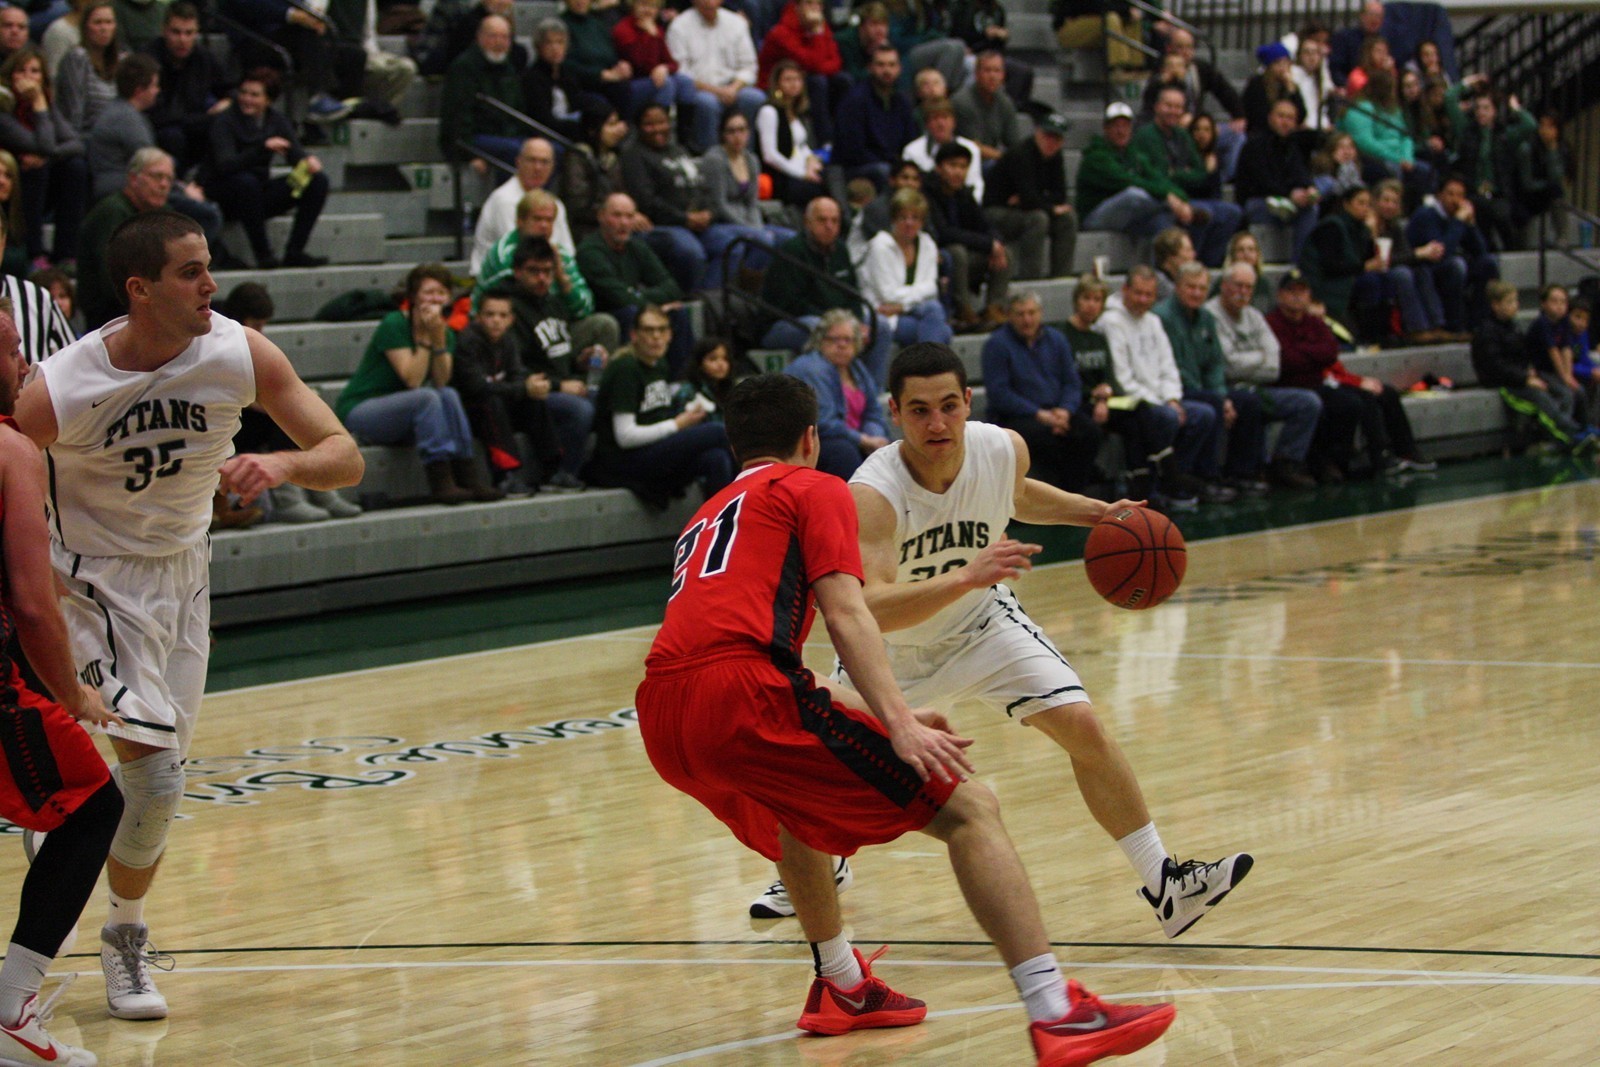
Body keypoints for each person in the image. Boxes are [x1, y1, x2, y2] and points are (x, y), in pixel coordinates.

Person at [643, 368, 1180, 1064]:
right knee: (971, 809)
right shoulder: (817, 488)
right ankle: (1057, 1009)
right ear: (811, 437)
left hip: (664, 708)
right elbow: (846, 612)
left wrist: (874, 706)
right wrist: (897, 719)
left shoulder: (707, 514)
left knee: (793, 811)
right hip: (742, 694)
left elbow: (754, 659)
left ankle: (840, 984)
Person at [745, 342, 1252, 939]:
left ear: (968, 401)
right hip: (896, 653)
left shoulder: (1001, 447)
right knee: (834, 771)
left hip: (984, 625)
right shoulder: (872, 494)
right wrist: (964, 576)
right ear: (893, 412)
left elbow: (1017, 494)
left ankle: (1165, 884)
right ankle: (822, 866)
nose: (937, 424)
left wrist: (1098, 514)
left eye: (948, 406)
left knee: (1083, 726)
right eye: (919, 411)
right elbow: (871, 610)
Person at [14, 210, 362, 1022]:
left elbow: (344, 455)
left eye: (209, 267)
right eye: (190, 272)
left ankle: (81, 848)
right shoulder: (63, 384)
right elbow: (8, 473)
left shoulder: (238, 351)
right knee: (158, 776)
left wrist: (279, 461)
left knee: (156, 787)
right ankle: (124, 937)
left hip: (185, 578)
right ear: (139, 289)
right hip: (89, 584)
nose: (211, 285)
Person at [0, 297, 125, 1067]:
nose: (25, 363)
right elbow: (30, 602)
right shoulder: (11, 451)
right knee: (94, 806)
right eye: (13, 348)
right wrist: (72, 691)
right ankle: (12, 1008)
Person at [335, 262, 505, 505]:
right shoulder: (394, 323)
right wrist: (425, 337)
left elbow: (442, 379)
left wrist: (437, 339)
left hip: (405, 411)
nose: (435, 299)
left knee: (448, 394)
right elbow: (413, 380)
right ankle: (440, 481)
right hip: (361, 410)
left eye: (441, 292)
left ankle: (468, 475)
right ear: (414, 297)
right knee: (427, 397)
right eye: (428, 292)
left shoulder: (443, 331)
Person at [1267, 266, 1433, 479]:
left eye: (1302, 291)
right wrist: (1313, 356)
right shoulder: (1272, 323)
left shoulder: (1316, 322)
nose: (1297, 296)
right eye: (1291, 291)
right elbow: (1287, 360)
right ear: (1280, 295)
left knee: (1385, 392)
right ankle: (1364, 457)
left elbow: (1329, 353)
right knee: (1353, 401)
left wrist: (1305, 355)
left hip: (1324, 379)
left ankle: (1407, 451)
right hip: (1297, 384)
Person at [487, 234, 615, 488]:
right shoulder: (509, 310)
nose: (542, 278)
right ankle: (559, 473)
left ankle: (602, 469)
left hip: (561, 383)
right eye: (534, 271)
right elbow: (517, 369)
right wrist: (560, 386)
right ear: (517, 271)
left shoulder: (554, 303)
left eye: (547, 271)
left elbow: (556, 354)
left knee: (613, 396)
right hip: (529, 394)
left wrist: (583, 360)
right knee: (580, 409)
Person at [584, 302, 734, 507]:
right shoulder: (626, 368)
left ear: (670, 335)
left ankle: (722, 532)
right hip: (623, 460)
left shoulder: (659, 364)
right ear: (634, 335)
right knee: (718, 432)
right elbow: (625, 437)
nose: (656, 337)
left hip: (654, 451)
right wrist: (677, 425)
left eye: (662, 330)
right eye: (649, 330)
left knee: (716, 459)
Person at [1095, 266, 1213, 507]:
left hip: (1160, 400)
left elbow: (1168, 366)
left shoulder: (1153, 321)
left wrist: (1172, 399)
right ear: (1125, 290)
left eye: (1149, 295)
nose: (1143, 300)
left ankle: (1180, 476)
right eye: (1138, 293)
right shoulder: (1111, 322)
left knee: (1204, 415)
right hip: (1126, 401)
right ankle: (1161, 483)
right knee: (1165, 418)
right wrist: (1163, 405)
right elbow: (1122, 379)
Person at [1062, 274, 1181, 502]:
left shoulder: (1098, 336)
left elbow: (1109, 377)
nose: (1092, 305)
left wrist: (1104, 397)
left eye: (1097, 300)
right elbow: (1067, 379)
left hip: (1103, 402)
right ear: (1077, 300)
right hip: (1079, 403)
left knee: (1138, 411)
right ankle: (1166, 468)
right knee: (1137, 417)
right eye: (1087, 298)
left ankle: (1140, 485)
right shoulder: (1063, 334)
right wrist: (1094, 397)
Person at [1205, 262, 1322, 489]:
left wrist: (1249, 360)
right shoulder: (1211, 314)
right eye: (1239, 285)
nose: (1244, 292)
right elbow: (1227, 365)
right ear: (1224, 286)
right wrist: (1260, 356)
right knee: (1250, 402)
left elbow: (1275, 364)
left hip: (1259, 387)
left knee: (1308, 402)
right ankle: (1243, 471)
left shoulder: (1254, 316)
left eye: (1249, 287)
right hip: (1227, 388)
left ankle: (1284, 464)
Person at [201, 68, 330, 270]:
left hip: (257, 193)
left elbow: (294, 153)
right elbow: (225, 166)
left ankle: (294, 252)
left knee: (317, 181)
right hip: (225, 192)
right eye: (244, 93)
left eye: (255, 95)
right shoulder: (225, 121)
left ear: (268, 100)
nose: (247, 99)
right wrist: (261, 148)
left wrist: (308, 161)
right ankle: (263, 255)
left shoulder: (276, 120)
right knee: (246, 183)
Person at [980, 291, 1102, 493]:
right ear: (1010, 316)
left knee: (1090, 432)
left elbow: (1072, 382)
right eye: (1020, 314)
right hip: (1018, 415)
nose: (1027, 319)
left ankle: (1075, 494)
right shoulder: (996, 345)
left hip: (1057, 412)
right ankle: (1058, 495)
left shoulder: (1057, 339)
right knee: (1045, 438)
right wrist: (1039, 414)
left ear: (1041, 313)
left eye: (1031, 313)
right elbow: (999, 393)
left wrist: (1065, 411)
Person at [451, 289, 570, 494]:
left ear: (511, 320)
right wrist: (523, 388)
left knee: (534, 400)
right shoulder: (467, 343)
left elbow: (516, 376)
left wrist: (529, 387)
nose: (496, 320)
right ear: (478, 317)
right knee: (492, 401)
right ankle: (504, 475)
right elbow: (477, 388)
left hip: (500, 404)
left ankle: (552, 470)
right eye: (490, 315)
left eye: (503, 315)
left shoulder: (508, 341)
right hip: (470, 411)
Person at [759, 196, 891, 381]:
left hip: (835, 319)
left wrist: (856, 321)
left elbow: (852, 294)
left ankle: (871, 394)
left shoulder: (841, 250)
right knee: (819, 328)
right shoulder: (792, 251)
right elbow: (790, 304)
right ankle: (834, 391)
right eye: (822, 220)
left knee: (880, 325)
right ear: (807, 222)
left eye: (834, 221)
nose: (829, 226)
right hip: (784, 324)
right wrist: (836, 324)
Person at [1153, 262, 1252, 499]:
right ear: (1177, 287)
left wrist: (1221, 394)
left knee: (1247, 402)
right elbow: (1174, 366)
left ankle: (1242, 472)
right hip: (1171, 388)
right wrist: (1216, 398)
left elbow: (1215, 364)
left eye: (1201, 288)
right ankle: (1206, 476)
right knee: (1211, 406)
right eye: (1191, 287)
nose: (1196, 293)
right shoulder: (1163, 317)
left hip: (1200, 389)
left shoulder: (1206, 318)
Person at [1471, 280, 1596, 452]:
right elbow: (1496, 367)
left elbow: (1524, 354)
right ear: (1495, 305)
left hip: (1522, 375)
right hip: (1504, 383)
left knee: (1564, 392)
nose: (1515, 306)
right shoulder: (1487, 332)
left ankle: (1579, 430)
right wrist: (1525, 378)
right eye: (1510, 302)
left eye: (1515, 301)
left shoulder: (1513, 327)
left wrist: (1529, 371)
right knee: (1541, 398)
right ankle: (1569, 437)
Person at [576, 191, 692, 372]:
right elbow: (618, 297)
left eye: (629, 217)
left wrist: (643, 299)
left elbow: (671, 287)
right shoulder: (590, 251)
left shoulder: (636, 247)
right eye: (617, 216)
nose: (624, 223)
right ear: (601, 217)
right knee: (632, 314)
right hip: (608, 315)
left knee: (678, 312)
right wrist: (654, 307)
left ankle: (678, 381)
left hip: (636, 306)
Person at [1129, 86, 1243, 268]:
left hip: (1186, 197)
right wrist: (1181, 175)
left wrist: (1176, 173)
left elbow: (1200, 174)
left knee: (1231, 213)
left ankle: (1209, 265)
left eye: (1178, 107)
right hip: (1159, 200)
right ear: (1157, 107)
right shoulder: (1145, 136)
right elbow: (1156, 176)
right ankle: (1185, 267)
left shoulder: (1182, 135)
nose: (1173, 111)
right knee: (1200, 213)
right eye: (1169, 106)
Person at [0, 47, 89, 269]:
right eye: (22, 70)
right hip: (16, 180)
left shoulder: (46, 103)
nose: (29, 77)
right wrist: (39, 102)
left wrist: (48, 156)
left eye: (35, 71)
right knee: (35, 168)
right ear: (11, 76)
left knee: (75, 167)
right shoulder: (3, 110)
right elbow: (44, 144)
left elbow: (77, 144)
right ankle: (35, 251)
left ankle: (66, 254)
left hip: (43, 180)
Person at [783, 309, 888, 479]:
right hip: (809, 441)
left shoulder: (856, 368)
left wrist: (875, 437)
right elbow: (823, 423)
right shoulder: (812, 369)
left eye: (848, 340)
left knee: (887, 451)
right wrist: (864, 440)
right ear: (820, 341)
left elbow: (873, 411)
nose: (842, 345)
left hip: (852, 439)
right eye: (834, 339)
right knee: (844, 452)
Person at [77, 146, 173, 330]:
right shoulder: (112, 212)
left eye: (169, 179)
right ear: (133, 178)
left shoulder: (164, 214)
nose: (163, 184)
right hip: (111, 316)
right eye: (157, 176)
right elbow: (112, 276)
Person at [698, 108, 795, 285]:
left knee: (790, 238)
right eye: (731, 131)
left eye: (742, 130)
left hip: (747, 222)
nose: (737, 136)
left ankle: (760, 285)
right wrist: (754, 230)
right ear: (722, 134)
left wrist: (756, 226)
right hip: (719, 223)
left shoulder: (751, 160)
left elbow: (752, 202)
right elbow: (719, 205)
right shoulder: (715, 160)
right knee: (763, 239)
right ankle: (745, 285)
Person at [924, 140, 1009, 331]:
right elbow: (944, 234)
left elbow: (985, 225)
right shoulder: (928, 191)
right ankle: (963, 310)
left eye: (963, 167)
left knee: (1004, 252)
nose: (958, 172)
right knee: (957, 251)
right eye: (952, 165)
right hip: (938, 259)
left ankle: (993, 308)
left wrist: (996, 243)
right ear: (939, 168)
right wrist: (988, 244)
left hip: (964, 259)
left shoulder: (963, 193)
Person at [141, 2, 234, 175]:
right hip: (160, 128)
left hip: (194, 125)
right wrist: (203, 118)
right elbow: (156, 114)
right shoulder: (149, 58)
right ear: (164, 30)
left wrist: (227, 102)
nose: (182, 40)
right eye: (176, 32)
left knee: (221, 126)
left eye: (189, 33)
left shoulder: (203, 58)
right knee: (173, 136)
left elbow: (227, 89)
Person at [982, 112, 1077, 281]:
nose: (1052, 143)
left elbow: (1059, 195)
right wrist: (1044, 203)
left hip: (1021, 209)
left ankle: (1062, 277)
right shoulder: (1021, 154)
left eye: (1057, 138)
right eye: (1048, 136)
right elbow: (1029, 198)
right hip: (996, 211)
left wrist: (1034, 200)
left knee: (1067, 218)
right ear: (1038, 133)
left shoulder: (1055, 157)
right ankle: (1031, 279)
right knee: (1038, 219)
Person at [860, 187, 953, 358]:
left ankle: (926, 371)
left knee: (935, 313)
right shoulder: (879, 246)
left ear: (922, 221)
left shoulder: (927, 244)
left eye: (915, 218)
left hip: (910, 311)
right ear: (894, 219)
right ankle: (931, 373)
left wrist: (902, 306)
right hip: (883, 317)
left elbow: (931, 288)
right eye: (903, 217)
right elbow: (887, 295)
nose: (909, 223)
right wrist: (915, 299)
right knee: (943, 329)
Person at [1075, 101, 1187, 241]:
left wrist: (1181, 199)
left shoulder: (1134, 155)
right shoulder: (1096, 158)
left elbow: (1159, 179)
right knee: (1134, 196)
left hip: (1126, 217)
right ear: (1106, 129)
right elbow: (1128, 182)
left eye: (1125, 126)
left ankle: (1164, 260)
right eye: (1116, 126)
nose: (1121, 131)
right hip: (1095, 218)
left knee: (1162, 218)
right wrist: (1168, 199)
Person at [1404, 173, 1498, 333]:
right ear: (1439, 195)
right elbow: (1441, 252)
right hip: (1426, 268)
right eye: (1450, 194)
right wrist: (1458, 222)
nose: (1455, 200)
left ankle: (1478, 323)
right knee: (1456, 266)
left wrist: (1472, 225)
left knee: (1488, 263)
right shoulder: (1426, 215)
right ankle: (1454, 325)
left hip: (1452, 265)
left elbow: (1480, 250)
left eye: (1460, 195)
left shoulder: (1458, 217)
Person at [611, 0, 706, 149]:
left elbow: (673, 63)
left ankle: (685, 138)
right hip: (631, 84)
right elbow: (641, 64)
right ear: (633, 6)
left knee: (685, 82)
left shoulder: (655, 29)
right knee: (666, 84)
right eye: (643, 5)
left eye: (652, 7)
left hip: (653, 79)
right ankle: (659, 133)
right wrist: (652, 36)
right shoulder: (624, 30)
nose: (647, 10)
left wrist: (664, 68)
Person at [470, 137, 572, 274]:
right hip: (499, 282)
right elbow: (519, 255)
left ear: (553, 167)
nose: (538, 168)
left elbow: (568, 253)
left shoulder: (556, 204)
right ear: (518, 162)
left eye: (544, 162)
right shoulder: (504, 200)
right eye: (532, 160)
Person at [1235, 98, 1319, 259]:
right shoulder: (1255, 145)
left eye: (1290, 118)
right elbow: (1262, 182)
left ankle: (1301, 267)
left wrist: (1309, 189)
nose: (1285, 122)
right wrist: (1290, 194)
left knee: (1310, 208)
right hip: (1258, 202)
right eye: (1281, 116)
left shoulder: (1292, 146)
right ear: (1270, 117)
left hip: (1284, 200)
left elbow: (1300, 173)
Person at [438, 14, 526, 170]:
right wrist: (470, 155)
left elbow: (518, 111)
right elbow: (456, 117)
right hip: (475, 139)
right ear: (479, 37)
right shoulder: (463, 68)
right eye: (493, 36)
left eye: (505, 37)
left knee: (552, 150)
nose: (499, 43)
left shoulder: (509, 69)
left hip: (507, 137)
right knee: (518, 152)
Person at [755, 0, 846, 148]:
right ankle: (825, 142)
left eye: (818, 5)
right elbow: (810, 63)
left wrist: (822, 62)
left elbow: (836, 61)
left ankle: (844, 138)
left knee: (842, 80)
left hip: (804, 79)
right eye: (809, 4)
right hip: (775, 85)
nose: (815, 9)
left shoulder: (822, 28)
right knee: (818, 82)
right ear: (797, 7)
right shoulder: (781, 33)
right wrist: (817, 33)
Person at [665, 0, 765, 133]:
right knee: (707, 103)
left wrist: (733, 88)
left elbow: (749, 65)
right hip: (699, 89)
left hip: (733, 87)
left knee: (754, 98)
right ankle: (707, 151)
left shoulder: (737, 23)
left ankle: (746, 152)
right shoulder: (679, 27)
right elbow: (681, 73)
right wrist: (717, 91)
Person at [1299, 183, 1380, 335]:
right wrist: (1364, 267)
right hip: (1324, 287)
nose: (1365, 208)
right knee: (1370, 282)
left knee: (1382, 280)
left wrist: (1371, 234)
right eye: (1360, 203)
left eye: (1368, 204)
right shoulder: (1331, 227)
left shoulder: (1361, 229)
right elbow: (1331, 266)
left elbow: (1368, 257)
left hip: (1346, 283)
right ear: (1346, 204)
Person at [833, 44, 917, 188]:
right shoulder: (855, 100)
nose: (887, 70)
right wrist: (893, 165)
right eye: (881, 65)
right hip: (858, 168)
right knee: (884, 172)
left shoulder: (903, 101)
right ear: (870, 67)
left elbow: (910, 141)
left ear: (899, 68)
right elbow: (853, 150)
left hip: (891, 164)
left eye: (892, 65)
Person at [756, 59, 827, 209]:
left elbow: (801, 145)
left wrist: (811, 159)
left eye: (797, 79)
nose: (793, 84)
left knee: (831, 174)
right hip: (781, 176)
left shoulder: (797, 112)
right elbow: (770, 155)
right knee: (817, 189)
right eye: (788, 80)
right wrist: (801, 174)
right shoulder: (769, 112)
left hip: (800, 169)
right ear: (777, 84)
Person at [53, 1, 120, 136]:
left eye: (108, 22)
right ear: (85, 27)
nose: (104, 28)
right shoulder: (77, 58)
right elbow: (74, 111)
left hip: (115, 134)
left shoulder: (121, 60)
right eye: (98, 23)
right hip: (85, 136)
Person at [902, 98, 984, 203]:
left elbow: (975, 183)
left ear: (954, 121)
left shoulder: (971, 149)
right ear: (927, 124)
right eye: (935, 118)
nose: (941, 123)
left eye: (945, 117)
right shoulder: (911, 151)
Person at [949, 49, 1018, 171]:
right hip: (963, 162)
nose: (992, 76)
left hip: (992, 160)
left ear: (1003, 75)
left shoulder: (1005, 102)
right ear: (977, 74)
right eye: (987, 70)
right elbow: (973, 146)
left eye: (997, 71)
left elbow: (1014, 143)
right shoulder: (962, 101)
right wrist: (1006, 158)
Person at [1242, 40, 1305, 134]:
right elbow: (1257, 115)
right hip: (1261, 132)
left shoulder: (1290, 85)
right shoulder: (1257, 84)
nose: (1283, 67)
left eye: (1286, 63)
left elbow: (1301, 115)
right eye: (1278, 63)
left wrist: (1292, 91)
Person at [671, 336, 736, 422]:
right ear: (700, 364)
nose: (721, 364)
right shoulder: (688, 392)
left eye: (725, 359)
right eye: (713, 359)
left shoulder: (732, 391)